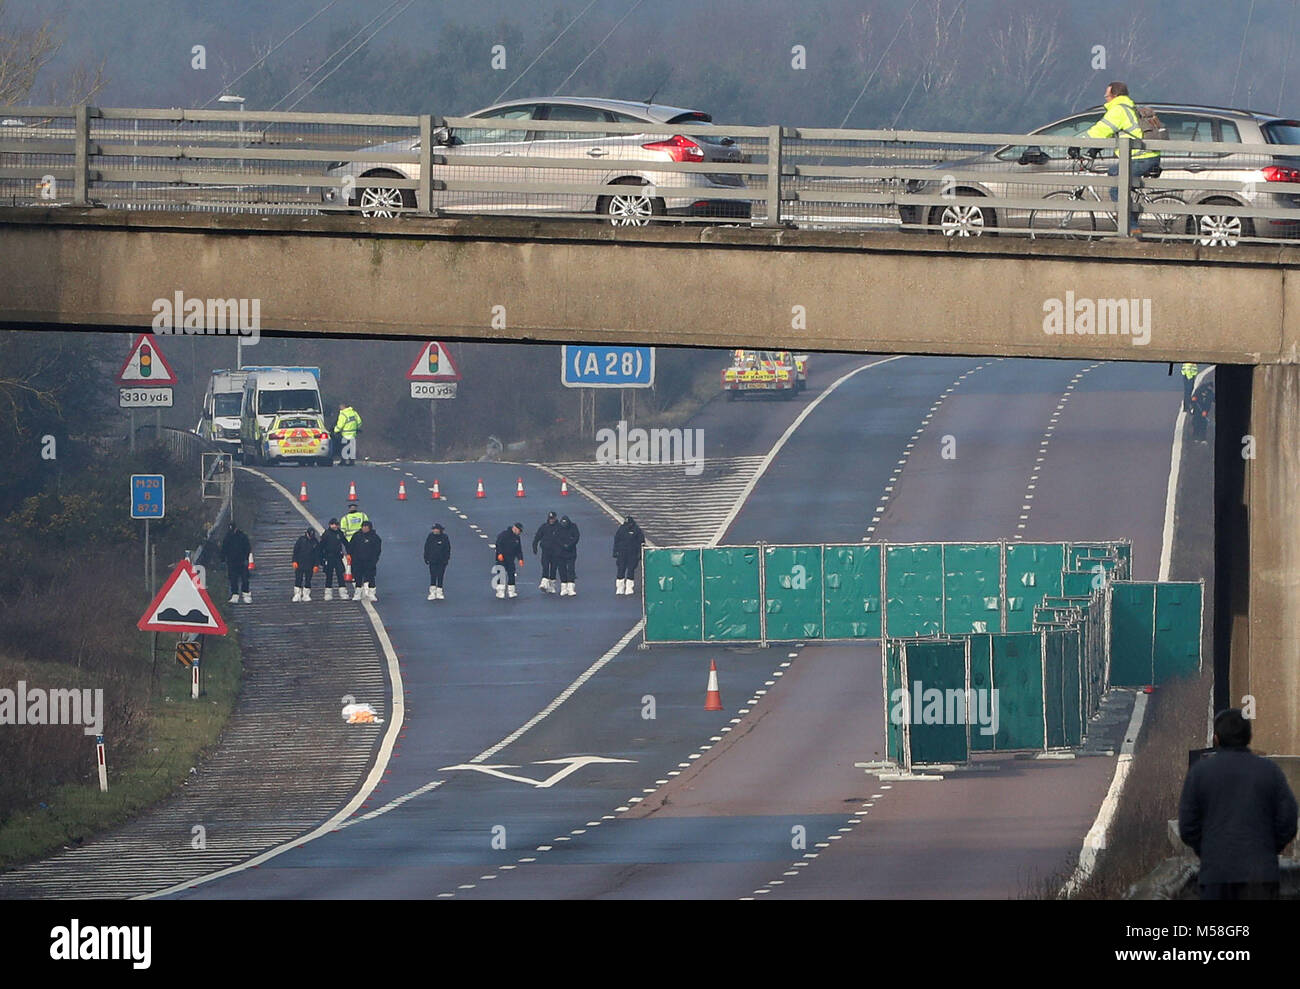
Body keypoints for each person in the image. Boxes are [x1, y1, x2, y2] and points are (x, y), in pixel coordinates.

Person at [1178, 709, 1298, 900]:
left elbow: (1187, 827)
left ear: (1216, 738)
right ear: (1249, 737)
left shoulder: (1200, 773)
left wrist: (1209, 850)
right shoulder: (1270, 772)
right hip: (1262, 875)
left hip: (1216, 875)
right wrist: (1268, 848)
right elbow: (1289, 820)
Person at [1085, 82, 1161, 236]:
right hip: (1147, 156)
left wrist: (1077, 144)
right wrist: (1095, 149)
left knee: (1115, 187)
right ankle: (1127, 212)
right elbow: (1118, 132)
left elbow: (1100, 131)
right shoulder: (1128, 107)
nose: (1105, 98)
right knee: (1114, 172)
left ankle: (1131, 226)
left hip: (1141, 158)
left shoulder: (1118, 110)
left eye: (1107, 95)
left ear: (1115, 96)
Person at [349, 520, 382, 602]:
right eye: (363, 527)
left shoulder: (375, 537)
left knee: (371, 577)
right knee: (358, 577)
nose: (364, 528)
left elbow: (377, 550)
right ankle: (357, 594)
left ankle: (372, 594)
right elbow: (351, 547)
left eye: (366, 527)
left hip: (369, 562)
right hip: (358, 561)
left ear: (370, 528)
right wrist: (353, 558)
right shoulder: (357, 536)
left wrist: (374, 560)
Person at [613, 515, 646, 596]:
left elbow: (641, 542)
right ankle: (620, 588)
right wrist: (615, 552)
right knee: (621, 569)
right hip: (622, 553)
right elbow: (616, 541)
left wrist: (640, 554)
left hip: (632, 553)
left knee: (631, 570)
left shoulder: (637, 530)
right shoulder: (621, 529)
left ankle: (629, 588)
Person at [318, 518, 349, 602]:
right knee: (329, 575)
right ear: (330, 525)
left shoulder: (339, 533)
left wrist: (349, 552)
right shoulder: (326, 534)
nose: (335, 526)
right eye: (333, 524)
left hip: (338, 557)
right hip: (329, 557)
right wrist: (322, 559)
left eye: (336, 524)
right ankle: (328, 593)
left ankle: (343, 592)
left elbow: (345, 543)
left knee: (340, 574)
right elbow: (321, 547)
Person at [221, 521, 252, 604]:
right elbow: (224, 549)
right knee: (233, 579)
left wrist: (246, 558)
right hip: (232, 562)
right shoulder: (228, 537)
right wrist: (223, 559)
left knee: (244, 579)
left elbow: (247, 548)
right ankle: (235, 595)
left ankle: (246, 595)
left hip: (241, 561)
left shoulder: (242, 536)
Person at [493, 522, 525, 599]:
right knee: (501, 573)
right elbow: (498, 544)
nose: (519, 533)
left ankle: (511, 591)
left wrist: (520, 559)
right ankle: (500, 591)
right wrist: (499, 554)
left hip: (511, 558)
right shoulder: (504, 535)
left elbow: (518, 550)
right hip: (502, 558)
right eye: (519, 531)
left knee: (511, 574)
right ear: (515, 528)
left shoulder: (517, 538)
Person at [533, 511, 561, 594]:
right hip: (546, 551)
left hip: (556, 552)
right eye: (550, 518)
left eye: (552, 518)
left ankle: (552, 586)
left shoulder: (559, 527)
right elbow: (537, 537)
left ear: (555, 518)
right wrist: (535, 546)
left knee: (553, 568)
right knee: (545, 566)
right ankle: (544, 583)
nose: (551, 520)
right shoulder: (544, 527)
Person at [424, 521, 451, 600]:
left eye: (436, 529)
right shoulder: (430, 537)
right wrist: (426, 557)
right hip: (432, 560)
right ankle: (432, 592)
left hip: (441, 561)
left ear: (440, 530)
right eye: (434, 529)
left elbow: (447, 549)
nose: (435, 531)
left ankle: (439, 591)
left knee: (440, 575)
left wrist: (446, 559)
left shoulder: (444, 537)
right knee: (433, 575)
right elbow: (427, 547)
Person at [291, 527, 319, 602]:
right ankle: (297, 594)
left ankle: (306, 594)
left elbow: (317, 555)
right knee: (298, 579)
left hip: (310, 564)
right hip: (300, 563)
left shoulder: (315, 542)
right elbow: (295, 551)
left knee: (308, 580)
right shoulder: (301, 540)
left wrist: (316, 565)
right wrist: (294, 561)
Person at [555, 514, 580, 597]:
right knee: (562, 570)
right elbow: (556, 538)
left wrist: (569, 545)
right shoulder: (558, 527)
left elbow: (576, 537)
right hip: (560, 552)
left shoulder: (573, 526)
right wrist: (562, 545)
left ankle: (571, 587)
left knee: (571, 569)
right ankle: (564, 587)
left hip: (571, 552)